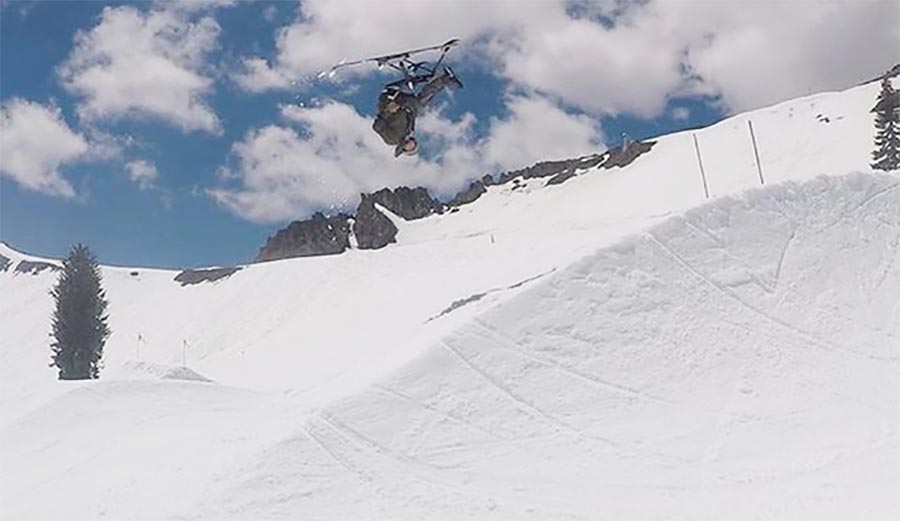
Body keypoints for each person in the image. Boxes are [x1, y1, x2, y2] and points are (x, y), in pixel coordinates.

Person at [373, 67, 462, 157]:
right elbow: (411, 115)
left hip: (390, 100)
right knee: (420, 106)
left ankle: (441, 79)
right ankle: (441, 79)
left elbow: (377, 126)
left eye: (410, 148)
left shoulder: (392, 140)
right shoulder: (409, 131)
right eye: (414, 146)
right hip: (403, 101)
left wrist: (388, 111)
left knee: (419, 104)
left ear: (403, 148)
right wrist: (412, 110)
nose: (412, 145)